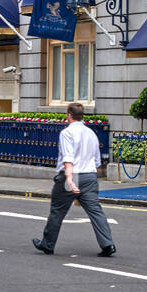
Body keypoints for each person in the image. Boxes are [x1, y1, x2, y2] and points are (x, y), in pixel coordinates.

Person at [32, 102, 116, 257]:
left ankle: (47, 244)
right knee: (96, 211)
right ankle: (108, 244)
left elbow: (68, 158)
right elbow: (97, 161)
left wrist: (70, 179)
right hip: (90, 176)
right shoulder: (91, 133)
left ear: (69, 115)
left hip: (72, 175)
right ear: (81, 115)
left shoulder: (66, 133)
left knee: (57, 211)